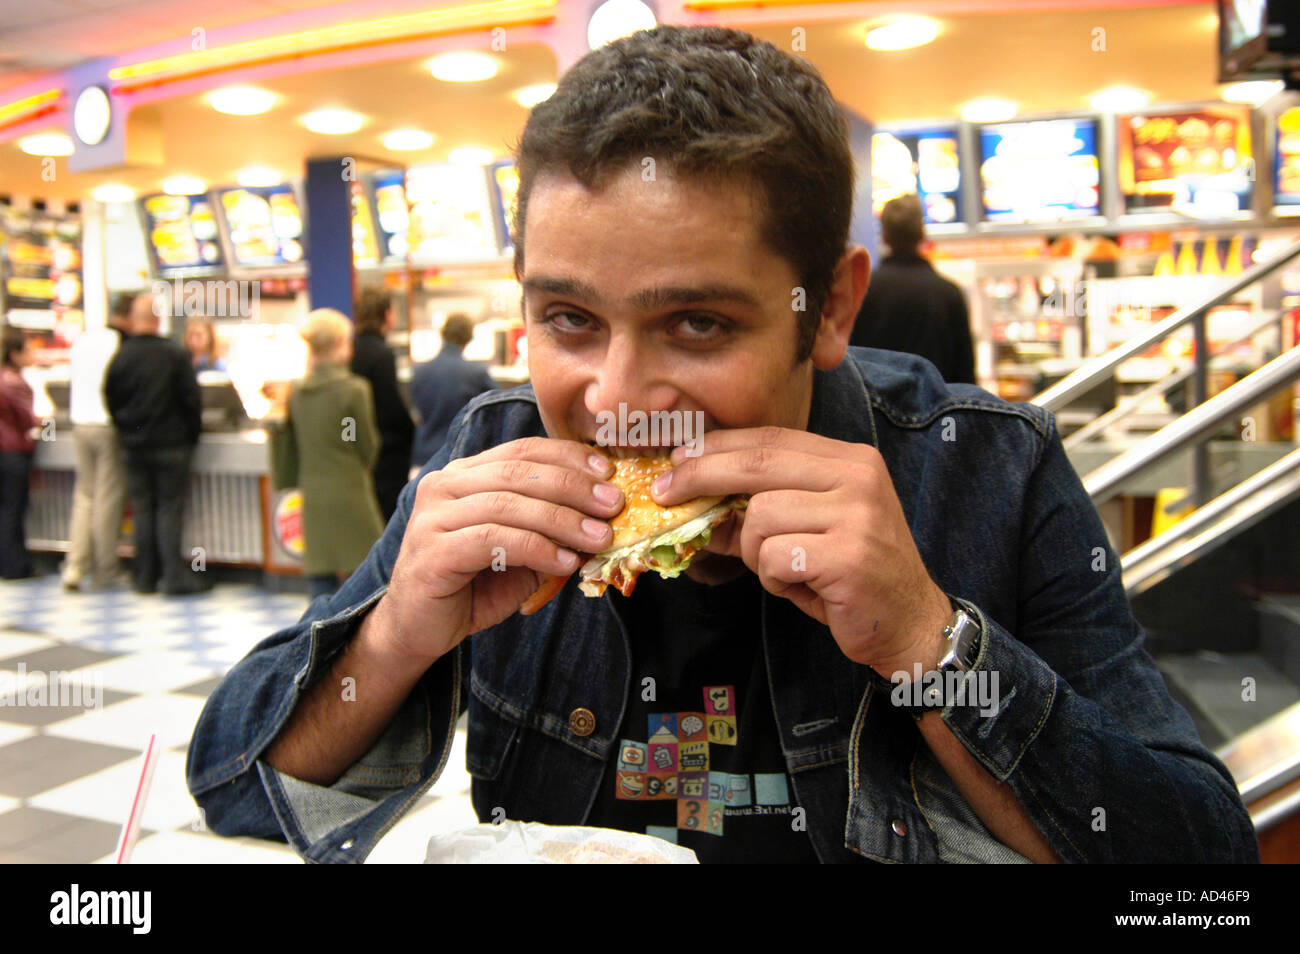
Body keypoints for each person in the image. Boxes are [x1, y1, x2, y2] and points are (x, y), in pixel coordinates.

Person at [188, 26, 1256, 864]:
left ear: (829, 308)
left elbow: (1193, 862)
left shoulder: (988, 471)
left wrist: (927, 648)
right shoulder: (492, 448)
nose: (616, 400)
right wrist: (391, 643)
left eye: (696, 324)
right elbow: (232, 783)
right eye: (568, 319)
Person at [105, 295, 208, 595]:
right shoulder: (174, 354)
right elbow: (191, 400)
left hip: (134, 447)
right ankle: (173, 576)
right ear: (158, 318)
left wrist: (129, 430)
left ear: (134, 319)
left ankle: (144, 576)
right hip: (171, 444)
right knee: (168, 508)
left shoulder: (121, 356)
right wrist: (192, 434)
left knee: (143, 508)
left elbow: (111, 399)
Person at [281, 309, 385, 601]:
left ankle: (317, 638)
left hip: (313, 493)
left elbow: (294, 440)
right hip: (351, 491)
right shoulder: (353, 390)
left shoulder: (297, 392)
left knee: (320, 581)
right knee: (363, 577)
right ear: (341, 343)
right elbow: (362, 443)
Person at [850, 194, 976, 385]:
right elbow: (965, 378)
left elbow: (849, 367)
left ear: (884, 236)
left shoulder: (861, 291)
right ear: (921, 234)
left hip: (873, 411)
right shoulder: (949, 294)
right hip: (936, 413)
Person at [62, 293, 132, 591]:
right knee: (108, 499)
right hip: (107, 425)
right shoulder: (119, 344)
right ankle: (107, 568)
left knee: (85, 497)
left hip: (80, 424)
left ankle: (75, 566)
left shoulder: (83, 340)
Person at [350, 288, 413, 522]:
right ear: (386, 314)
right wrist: (410, 428)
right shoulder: (382, 354)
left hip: (360, 451)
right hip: (386, 453)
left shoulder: (350, 350)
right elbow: (391, 406)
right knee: (389, 519)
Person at [409, 313, 496, 468]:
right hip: (461, 457)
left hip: (424, 457)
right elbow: (497, 406)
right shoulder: (476, 373)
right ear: (468, 337)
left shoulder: (419, 372)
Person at [0, 327, 39, 580]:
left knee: (6, 510)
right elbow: (28, 420)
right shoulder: (15, 382)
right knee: (14, 510)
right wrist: (44, 423)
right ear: (14, 354)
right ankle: (14, 565)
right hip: (14, 452)